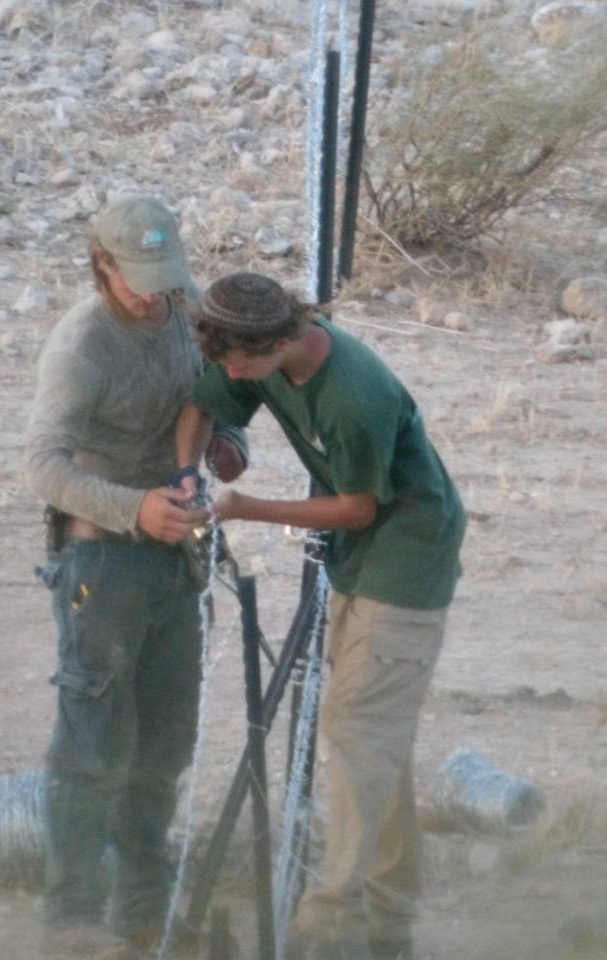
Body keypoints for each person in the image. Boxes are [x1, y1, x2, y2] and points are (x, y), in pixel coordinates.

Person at [175, 272, 465, 960]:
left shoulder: (353, 397)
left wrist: (248, 509)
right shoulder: (251, 354)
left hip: (407, 556)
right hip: (359, 558)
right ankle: (390, 924)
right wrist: (186, 473)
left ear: (284, 338)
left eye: (242, 362)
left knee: (355, 728)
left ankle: (326, 926)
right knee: (376, 740)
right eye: (225, 361)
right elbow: (201, 404)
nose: (234, 373)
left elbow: (358, 507)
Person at [25, 195, 245, 956]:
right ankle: (74, 919)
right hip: (102, 562)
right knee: (92, 749)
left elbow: (219, 404)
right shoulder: (81, 347)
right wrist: (134, 508)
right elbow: (43, 468)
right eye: (137, 279)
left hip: (173, 559)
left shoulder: (185, 315)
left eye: (164, 275)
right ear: (102, 265)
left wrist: (224, 453)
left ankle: (146, 908)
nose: (152, 294)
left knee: (164, 744)